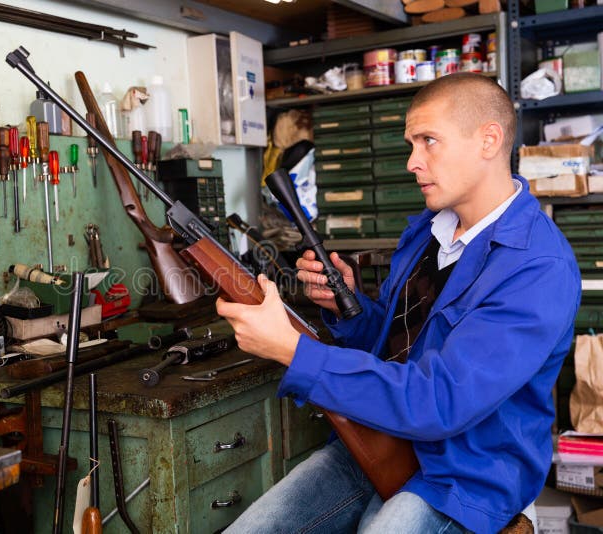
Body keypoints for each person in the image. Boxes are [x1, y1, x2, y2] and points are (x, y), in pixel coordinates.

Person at [216, 73, 581, 533]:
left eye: (428, 141)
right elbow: (398, 347)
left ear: (489, 140)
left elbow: (439, 402)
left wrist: (293, 351)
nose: (412, 162)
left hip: (465, 476)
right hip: (379, 437)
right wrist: (346, 307)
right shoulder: (430, 231)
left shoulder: (537, 267)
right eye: (411, 144)